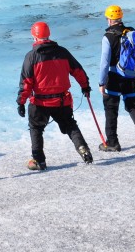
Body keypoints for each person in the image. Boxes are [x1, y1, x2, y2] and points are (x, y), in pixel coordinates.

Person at [17, 21, 94, 170]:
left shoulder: (31, 56)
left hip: (40, 103)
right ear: (49, 34)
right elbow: (78, 70)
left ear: (34, 36)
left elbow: (26, 83)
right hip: (62, 101)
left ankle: (39, 160)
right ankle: (83, 148)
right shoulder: (63, 52)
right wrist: (85, 86)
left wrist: (21, 102)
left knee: (36, 128)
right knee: (70, 125)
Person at [98, 5, 135, 153]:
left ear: (109, 20)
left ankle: (112, 142)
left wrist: (101, 82)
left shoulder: (108, 37)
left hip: (114, 77)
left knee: (111, 109)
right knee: (133, 107)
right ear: (121, 17)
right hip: (131, 76)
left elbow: (104, 62)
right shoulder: (131, 32)